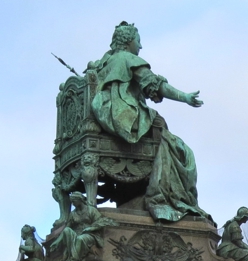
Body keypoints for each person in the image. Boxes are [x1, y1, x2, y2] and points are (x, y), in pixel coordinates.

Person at [86, 22, 209, 222]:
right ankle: (170, 195)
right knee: (181, 150)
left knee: (162, 129)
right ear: (128, 41)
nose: (140, 46)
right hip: (125, 119)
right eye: (138, 41)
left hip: (104, 121)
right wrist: (184, 97)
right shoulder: (128, 59)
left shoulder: (104, 63)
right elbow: (156, 86)